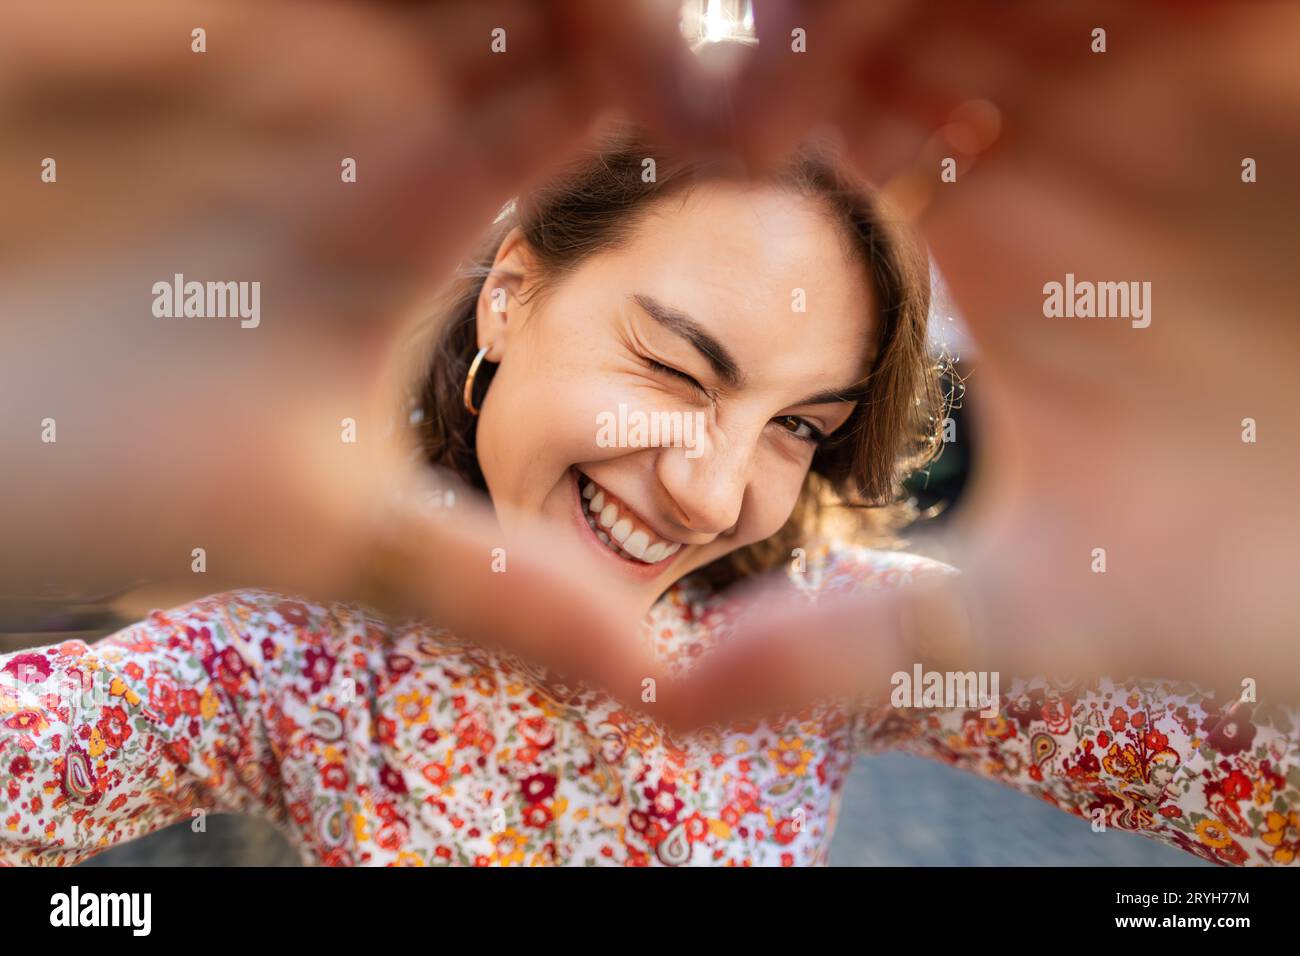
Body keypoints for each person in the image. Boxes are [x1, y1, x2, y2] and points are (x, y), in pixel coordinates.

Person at [1, 2, 1297, 865]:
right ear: (510, 295)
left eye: (799, 424)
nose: (714, 487)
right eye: (677, 368)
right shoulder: (288, 666)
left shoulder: (835, 643)